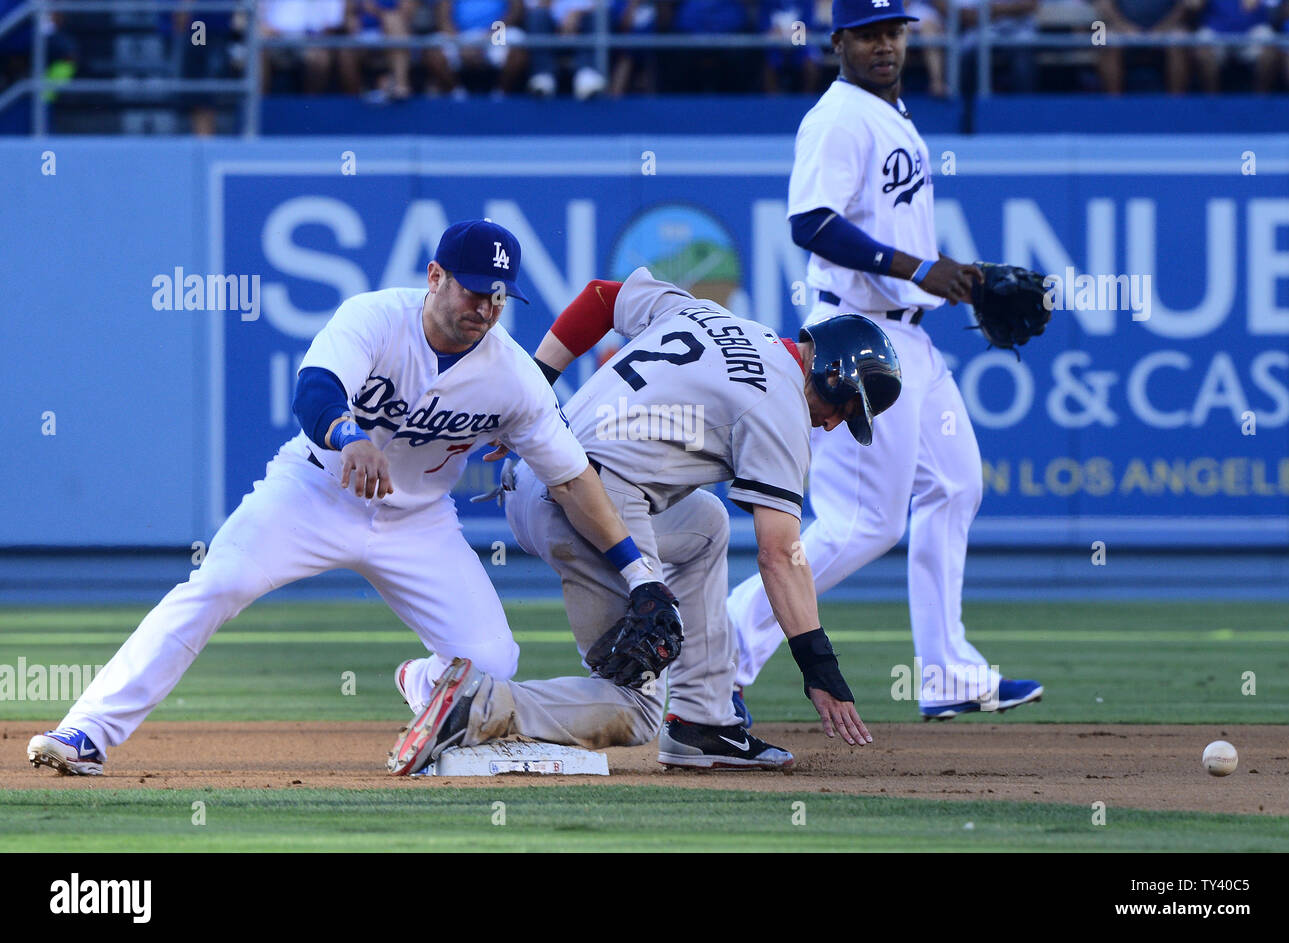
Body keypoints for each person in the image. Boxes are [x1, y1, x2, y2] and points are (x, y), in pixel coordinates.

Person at [27, 221, 655, 776]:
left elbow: (573, 480)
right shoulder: (376, 317)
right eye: (470, 288)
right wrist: (348, 436)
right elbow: (314, 389)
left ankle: (422, 682)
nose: (485, 307)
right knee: (216, 586)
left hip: (418, 523)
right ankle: (88, 732)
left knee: (493, 661)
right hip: (313, 493)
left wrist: (638, 571)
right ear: (434, 277)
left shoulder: (514, 377)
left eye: (498, 295)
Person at [389, 266, 903, 775]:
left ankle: (704, 722)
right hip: (587, 507)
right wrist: (820, 667)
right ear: (832, 373)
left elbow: (597, 297)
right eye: (845, 407)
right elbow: (780, 554)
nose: (835, 423)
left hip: (533, 475)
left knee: (705, 524)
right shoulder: (783, 407)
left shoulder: (711, 316)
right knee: (634, 710)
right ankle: (474, 706)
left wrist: (534, 390)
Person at [727, 0, 1044, 724]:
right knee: (860, 522)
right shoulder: (838, 116)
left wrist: (954, 277)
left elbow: (893, 233)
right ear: (838, 41)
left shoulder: (891, 113)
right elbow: (811, 222)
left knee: (956, 487)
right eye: (868, 34)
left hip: (911, 336)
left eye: (893, 31)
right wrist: (919, 265)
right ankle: (719, 656)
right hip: (857, 335)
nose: (883, 45)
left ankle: (949, 673)